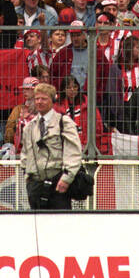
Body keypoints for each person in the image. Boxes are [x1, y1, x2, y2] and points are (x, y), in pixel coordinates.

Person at [19, 82, 83, 210]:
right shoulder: (29, 127)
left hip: (58, 184)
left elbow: (73, 152)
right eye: (37, 98)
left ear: (53, 100)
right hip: (35, 185)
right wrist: (28, 177)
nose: (39, 102)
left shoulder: (64, 123)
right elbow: (25, 153)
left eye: (44, 98)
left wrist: (67, 178)